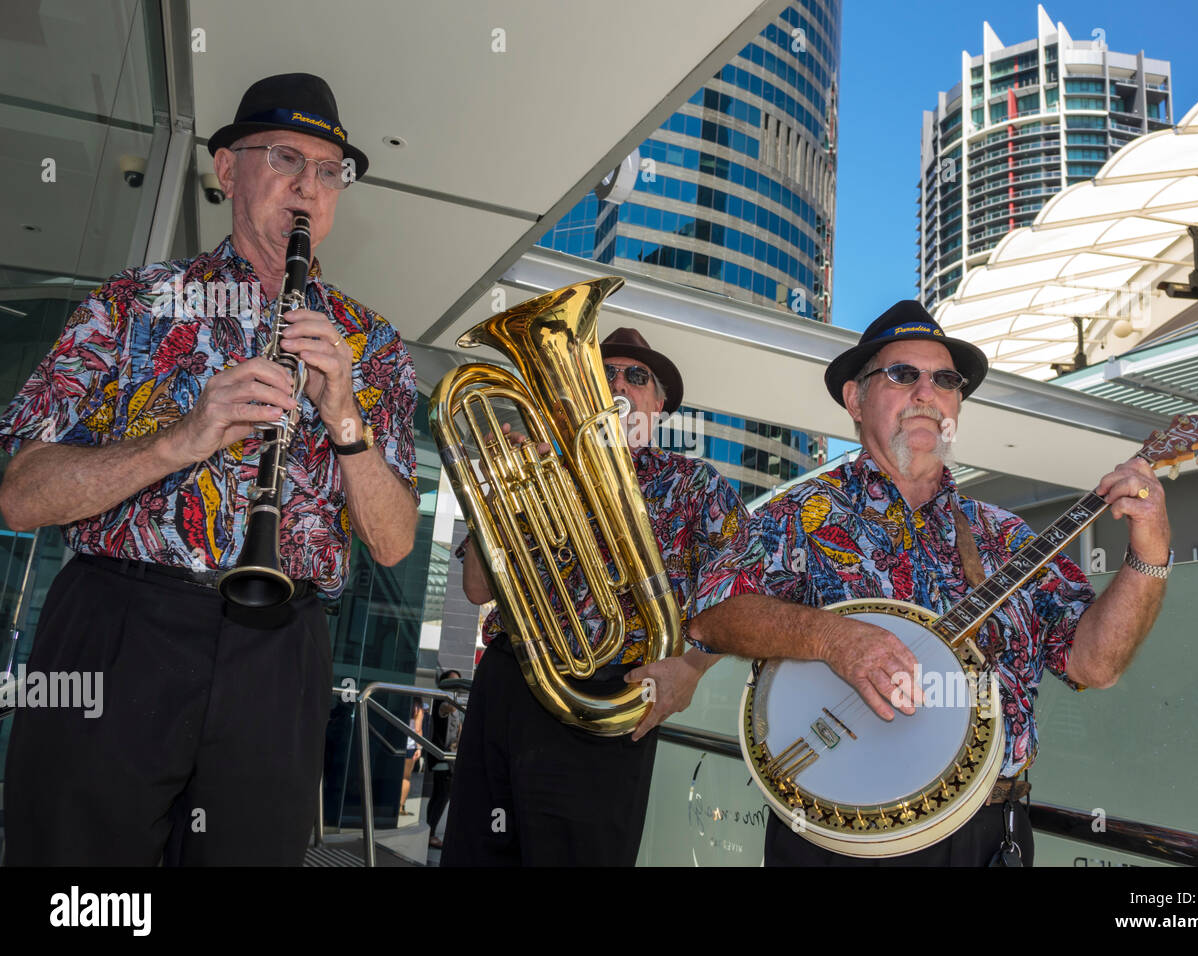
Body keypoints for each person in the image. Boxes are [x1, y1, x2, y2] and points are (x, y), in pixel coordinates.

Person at [0, 73, 419, 866]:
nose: (309, 186)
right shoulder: (130, 303)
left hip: (281, 648)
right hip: (120, 629)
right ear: (227, 169)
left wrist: (346, 420)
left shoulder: (375, 346)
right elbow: (20, 497)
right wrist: (179, 441)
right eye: (286, 159)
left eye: (330, 172)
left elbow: (394, 544)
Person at [690, 300, 1172, 866]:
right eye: (903, 374)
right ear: (855, 398)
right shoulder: (802, 513)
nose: (927, 392)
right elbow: (714, 614)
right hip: (834, 835)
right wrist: (833, 639)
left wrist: (1150, 551)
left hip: (988, 832)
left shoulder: (1005, 535)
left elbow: (1096, 664)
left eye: (945, 380)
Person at [440, 328, 748, 866]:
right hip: (510, 680)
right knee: (477, 853)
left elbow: (745, 592)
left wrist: (692, 670)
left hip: (610, 694)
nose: (619, 384)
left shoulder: (695, 483)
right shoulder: (537, 469)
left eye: (636, 376)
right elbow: (476, 588)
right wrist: (500, 492)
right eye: (603, 374)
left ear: (659, 405)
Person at [425, 669, 463, 849]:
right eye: (453, 681)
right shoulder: (442, 700)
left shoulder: (453, 702)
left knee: (440, 795)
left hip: (450, 756)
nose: (457, 684)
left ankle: (429, 832)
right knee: (441, 795)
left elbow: (458, 728)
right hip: (441, 756)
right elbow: (447, 708)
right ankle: (430, 834)